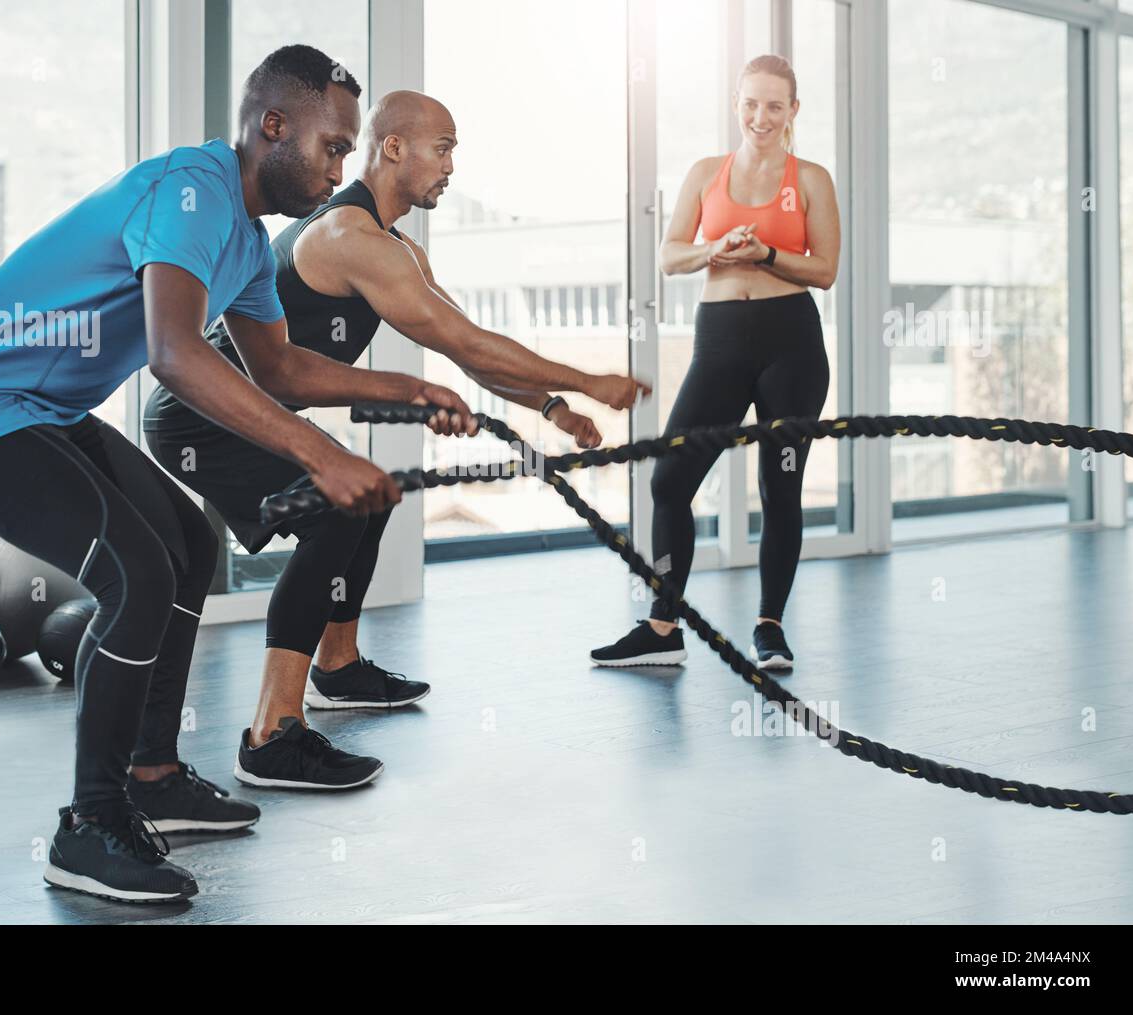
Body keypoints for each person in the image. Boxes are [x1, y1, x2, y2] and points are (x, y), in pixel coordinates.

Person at [0, 45, 476, 904]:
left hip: (39, 407)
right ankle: (88, 825)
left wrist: (406, 389)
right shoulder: (192, 192)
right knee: (136, 570)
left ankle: (154, 776)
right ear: (272, 125)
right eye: (332, 146)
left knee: (189, 544)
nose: (340, 167)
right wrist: (321, 455)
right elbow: (174, 353)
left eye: (349, 150)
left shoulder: (245, 236)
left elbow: (281, 369)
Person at [143, 89, 651, 791]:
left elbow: (467, 348)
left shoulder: (396, 247)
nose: (449, 167)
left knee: (369, 495)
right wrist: (592, 379)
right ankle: (271, 734)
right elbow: (470, 342)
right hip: (201, 411)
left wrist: (554, 406)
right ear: (392, 148)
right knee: (335, 506)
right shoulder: (349, 238)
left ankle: (340, 668)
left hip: (241, 406)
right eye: (441, 149)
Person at [590, 54, 840, 673]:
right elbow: (671, 255)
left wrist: (767, 252)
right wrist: (713, 251)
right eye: (751, 103)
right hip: (721, 342)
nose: (761, 116)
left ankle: (770, 627)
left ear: (793, 111)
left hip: (792, 345)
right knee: (669, 481)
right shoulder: (706, 173)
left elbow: (826, 270)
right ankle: (662, 626)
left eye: (775, 105)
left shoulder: (810, 178)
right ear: (737, 103)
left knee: (779, 487)